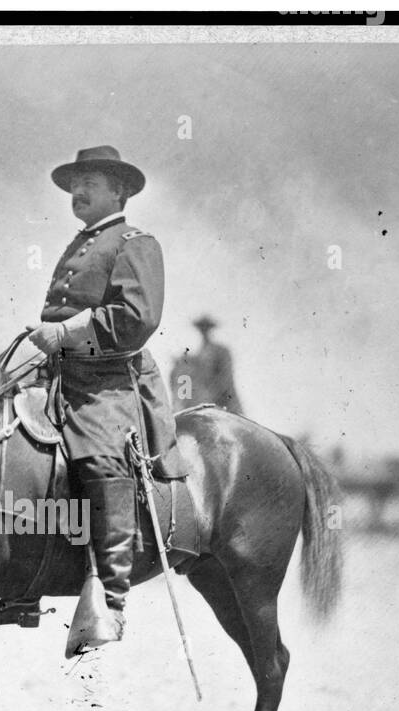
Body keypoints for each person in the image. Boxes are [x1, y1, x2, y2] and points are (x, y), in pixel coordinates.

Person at [25, 145, 183, 650]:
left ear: (120, 190)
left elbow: (137, 319)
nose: (78, 190)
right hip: (59, 375)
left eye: (90, 181)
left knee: (97, 456)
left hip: (107, 381)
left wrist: (68, 333)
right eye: (75, 182)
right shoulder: (79, 244)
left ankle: (111, 600)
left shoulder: (136, 242)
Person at [170, 315, 243, 413]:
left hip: (219, 397)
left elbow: (226, 378)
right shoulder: (197, 354)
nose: (204, 331)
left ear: (210, 329)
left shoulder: (220, 350)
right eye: (202, 328)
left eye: (206, 328)